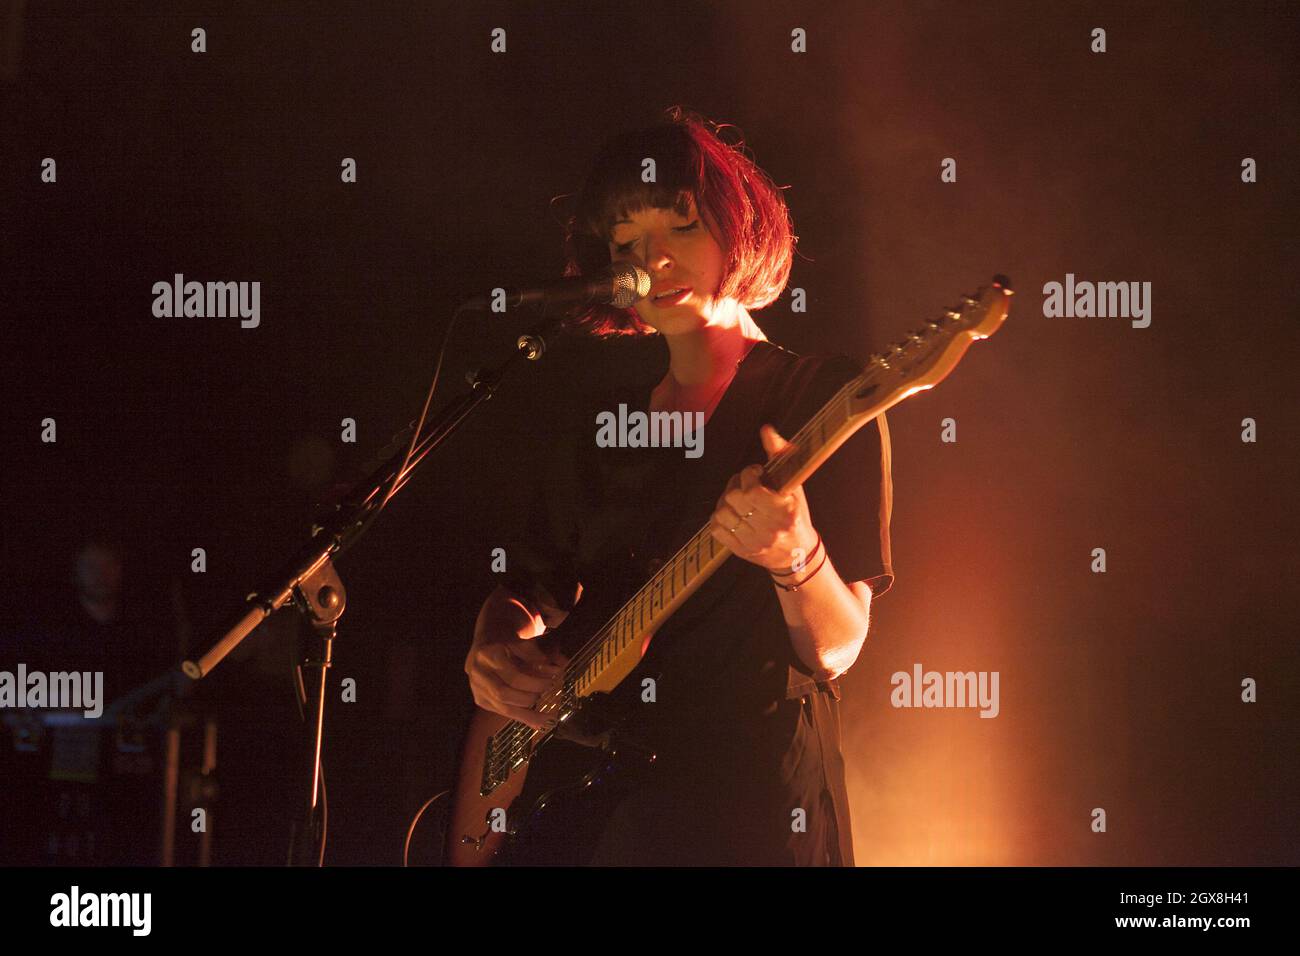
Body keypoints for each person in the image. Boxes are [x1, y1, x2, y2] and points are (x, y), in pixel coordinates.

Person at [463, 106, 894, 866]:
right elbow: (532, 589)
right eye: (627, 241)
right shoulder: (604, 427)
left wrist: (794, 554)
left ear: (740, 229)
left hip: (748, 800)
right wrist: (494, 641)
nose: (651, 259)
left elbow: (837, 649)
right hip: (595, 793)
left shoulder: (819, 396)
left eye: (680, 228)